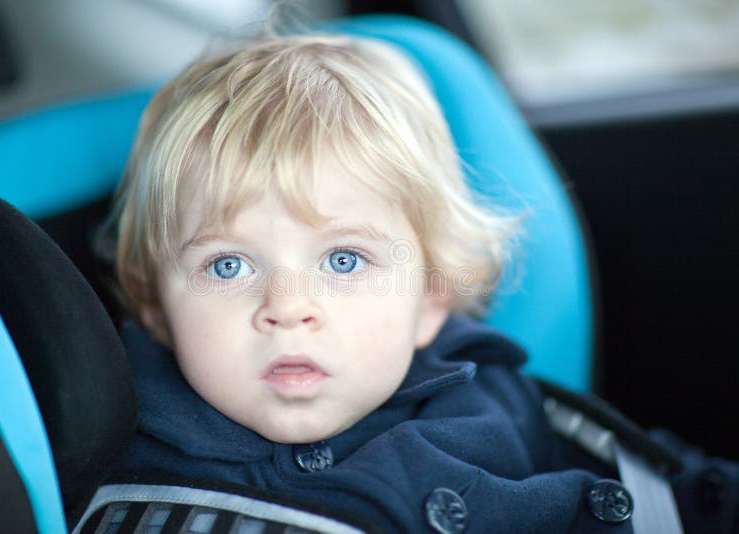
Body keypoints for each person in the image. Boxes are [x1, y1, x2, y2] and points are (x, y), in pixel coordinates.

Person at [104, 31, 738, 533]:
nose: (288, 308)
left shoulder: (498, 398)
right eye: (228, 265)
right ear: (157, 305)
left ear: (432, 296)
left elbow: (679, 492)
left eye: (344, 260)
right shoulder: (110, 453)